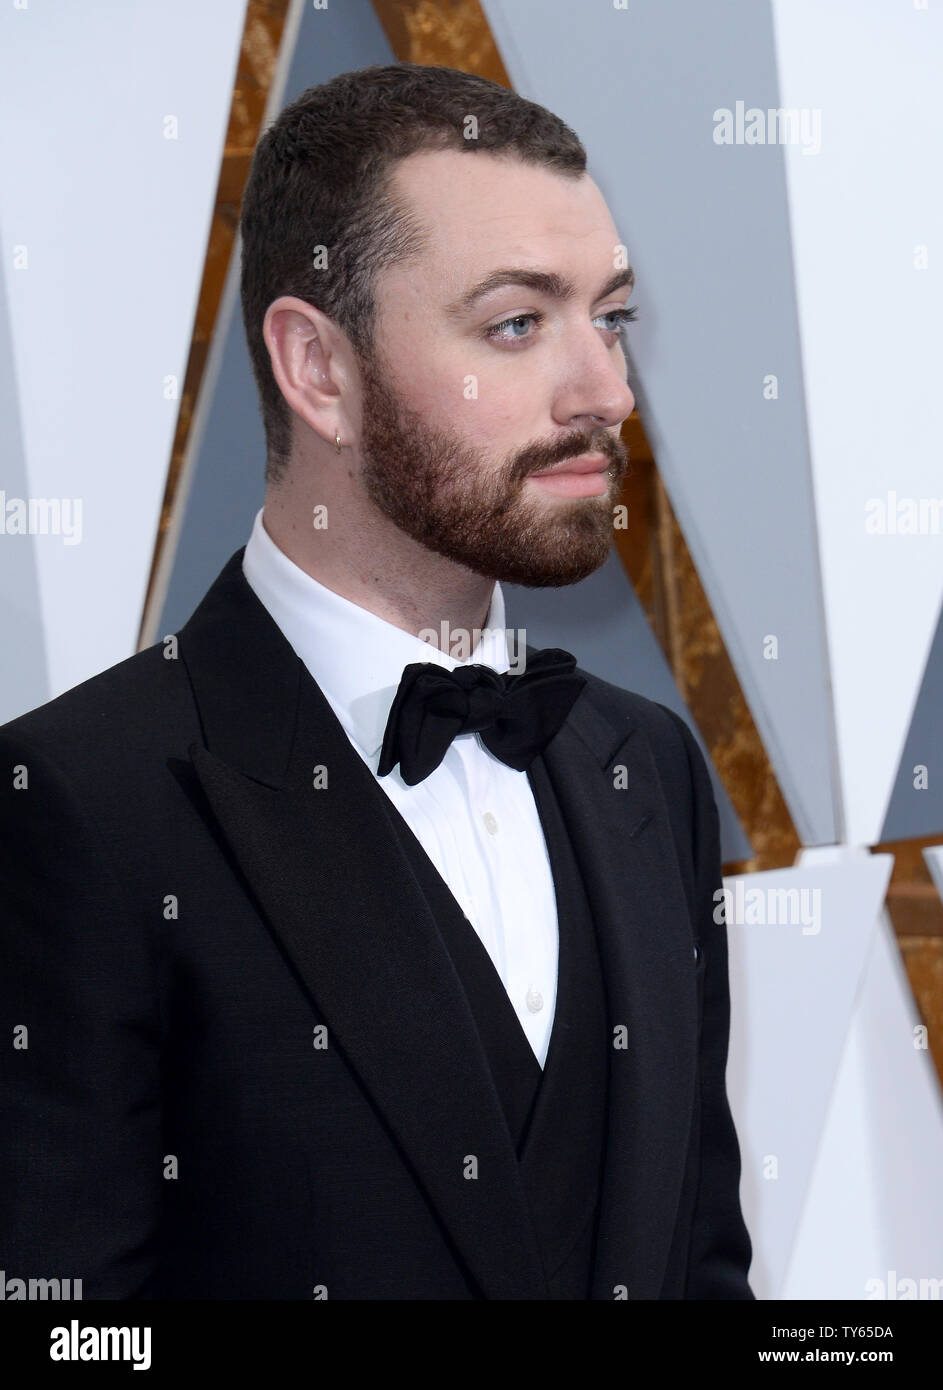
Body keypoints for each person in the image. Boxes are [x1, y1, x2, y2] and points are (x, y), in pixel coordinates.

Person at [0, 63, 753, 1299]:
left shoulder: (648, 768)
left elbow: (701, 1268)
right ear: (319, 370)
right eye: (518, 324)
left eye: (609, 318)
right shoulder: (78, 803)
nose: (607, 394)